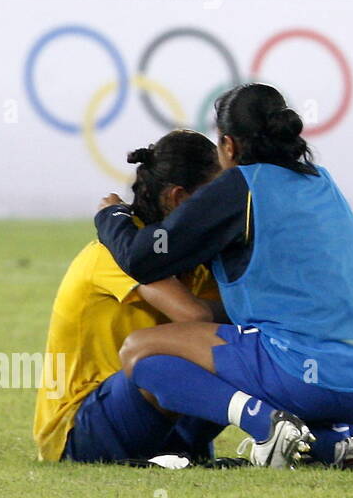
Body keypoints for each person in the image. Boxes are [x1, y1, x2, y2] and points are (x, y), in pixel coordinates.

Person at [93, 83, 353, 468]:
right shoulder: (321, 181)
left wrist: (110, 216)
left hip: (307, 374)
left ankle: (265, 424)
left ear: (228, 146)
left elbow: (143, 259)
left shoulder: (240, 186)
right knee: (281, 361)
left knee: (142, 352)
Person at [36, 130, 229, 465]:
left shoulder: (190, 256)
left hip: (152, 423)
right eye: (215, 194)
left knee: (248, 348)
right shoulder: (116, 255)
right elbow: (194, 316)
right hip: (79, 430)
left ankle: (306, 437)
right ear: (179, 198)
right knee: (171, 357)